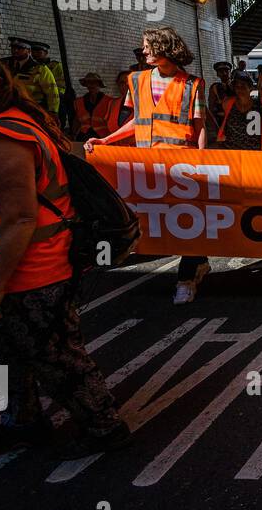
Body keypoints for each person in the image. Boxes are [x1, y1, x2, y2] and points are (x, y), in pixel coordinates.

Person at [0, 44, 130, 460]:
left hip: (29, 275)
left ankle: (103, 426)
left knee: (55, 356)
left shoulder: (4, 136)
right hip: (0, 272)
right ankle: (23, 422)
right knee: (5, 353)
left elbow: (20, 217)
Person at [84, 26, 210, 305]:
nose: (144, 51)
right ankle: (199, 262)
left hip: (181, 164)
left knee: (186, 219)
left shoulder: (192, 84)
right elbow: (137, 121)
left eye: (148, 46)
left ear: (165, 47)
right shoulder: (136, 80)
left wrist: (202, 162)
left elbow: (199, 125)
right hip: (146, 164)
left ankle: (186, 278)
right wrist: (106, 140)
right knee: (158, 219)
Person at [2, 38, 59, 117]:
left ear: (29, 51)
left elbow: (52, 92)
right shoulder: (5, 65)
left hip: (33, 110)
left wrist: (53, 111)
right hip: (9, 108)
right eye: (13, 48)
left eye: (20, 48)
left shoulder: (40, 68)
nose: (15, 51)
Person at [215, 74, 262, 150]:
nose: (240, 89)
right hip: (231, 150)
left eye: (243, 86)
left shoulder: (261, 108)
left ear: (250, 88)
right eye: (237, 87)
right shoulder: (228, 104)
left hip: (253, 151)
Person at [71, 72, 121, 142]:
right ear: (86, 85)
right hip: (83, 136)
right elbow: (76, 120)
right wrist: (73, 135)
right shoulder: (78, 102)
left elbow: (114, 122)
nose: (91, 85)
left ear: (99, 84)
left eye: (94, 82)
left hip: (102, 137)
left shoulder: (109, 101)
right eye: (89, 82)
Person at [206, 61, 235, 135]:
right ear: (217, 74)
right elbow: (211, 106)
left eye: (226, 71)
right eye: (221, 72)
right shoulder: (215, 87)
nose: (224, 73)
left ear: (230, 72)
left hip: (236, 119)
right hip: (221, 120)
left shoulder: (236, 85)